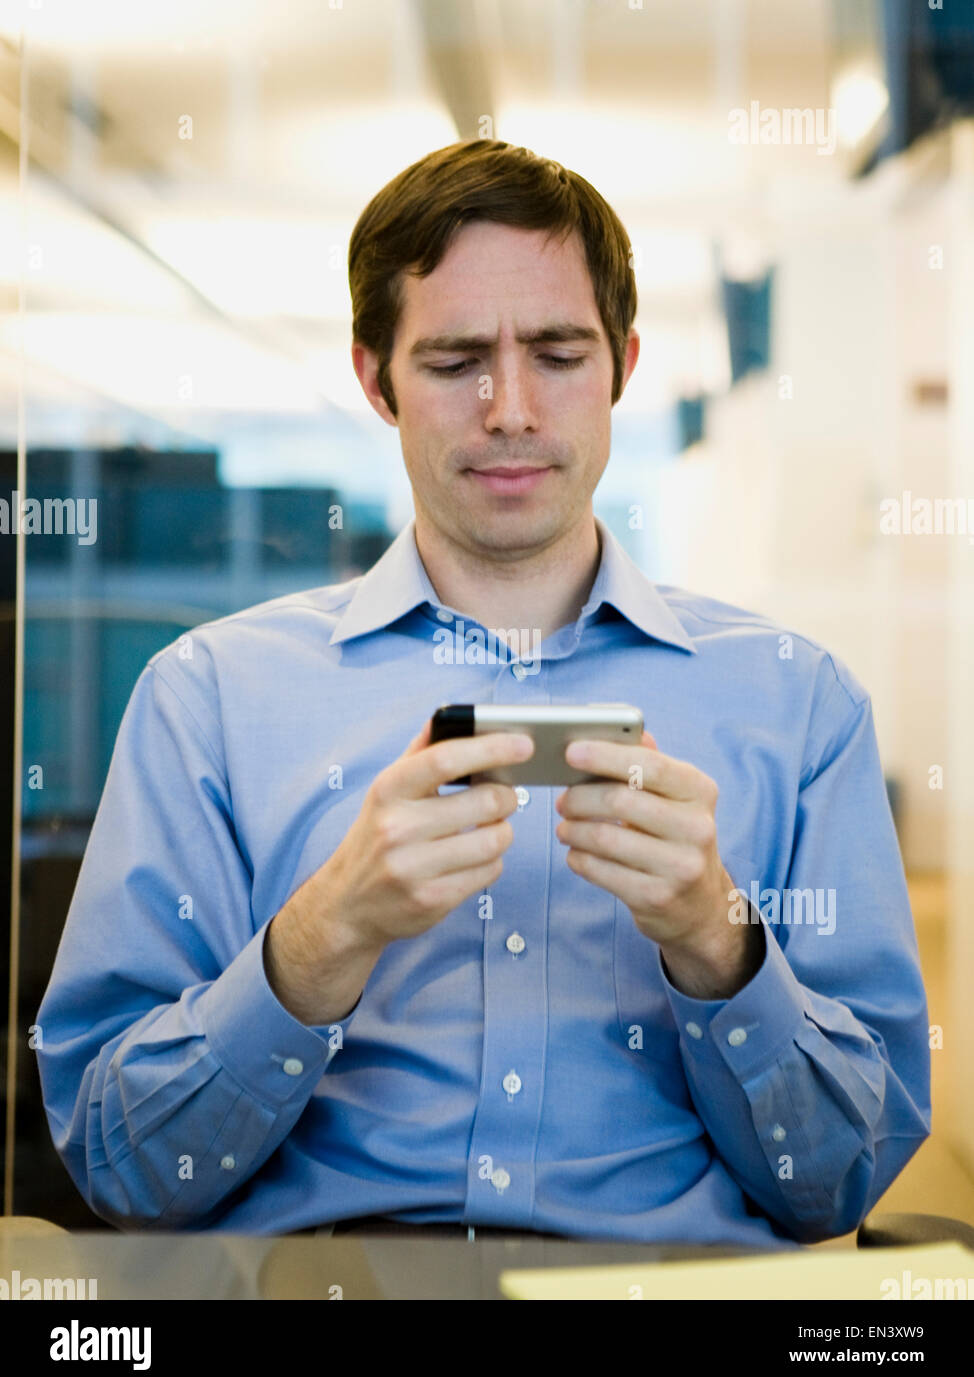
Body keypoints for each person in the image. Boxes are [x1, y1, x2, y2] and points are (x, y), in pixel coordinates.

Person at [37, 140, 929, 1245]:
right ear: (375, 380)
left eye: (556, 353)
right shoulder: (207, 700)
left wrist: (715, 939)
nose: (508, 408)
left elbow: (838, 1182)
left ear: (622, 366)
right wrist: (327, 931)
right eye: (457, 358)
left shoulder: (797, 707)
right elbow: (122, 1167)